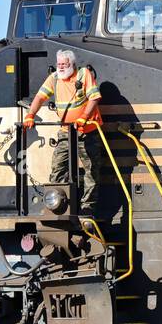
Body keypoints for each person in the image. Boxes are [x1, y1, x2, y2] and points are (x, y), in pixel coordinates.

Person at [22, 50, 103, 218]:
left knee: (91, 170)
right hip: (66, 132)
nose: (60, 67)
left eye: (64, 64)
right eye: (58, 64)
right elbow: (39, 97)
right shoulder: (54, 78)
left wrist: (83, 118)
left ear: (72, 64)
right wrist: (30, 115)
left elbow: (94, 98)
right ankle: (57, 206)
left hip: (88, 132)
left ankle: (87, 209)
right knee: (57, 167)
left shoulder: (83, 74)